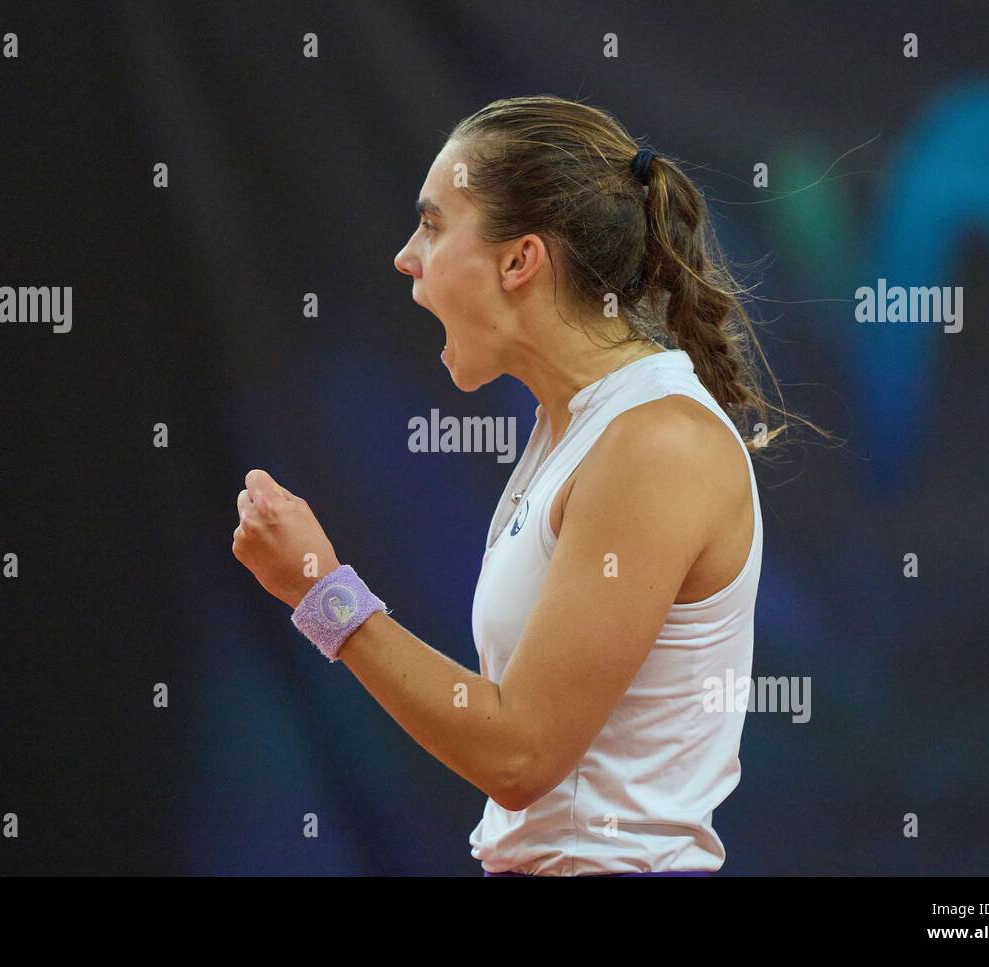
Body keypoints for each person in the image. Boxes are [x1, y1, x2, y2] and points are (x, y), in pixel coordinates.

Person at [233, 95, 812, 876]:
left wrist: (322, 592)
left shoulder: (656, 442)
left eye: (433, 225)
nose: (406, 256)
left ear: (518, 261)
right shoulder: (571, 429)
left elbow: (520, 754)